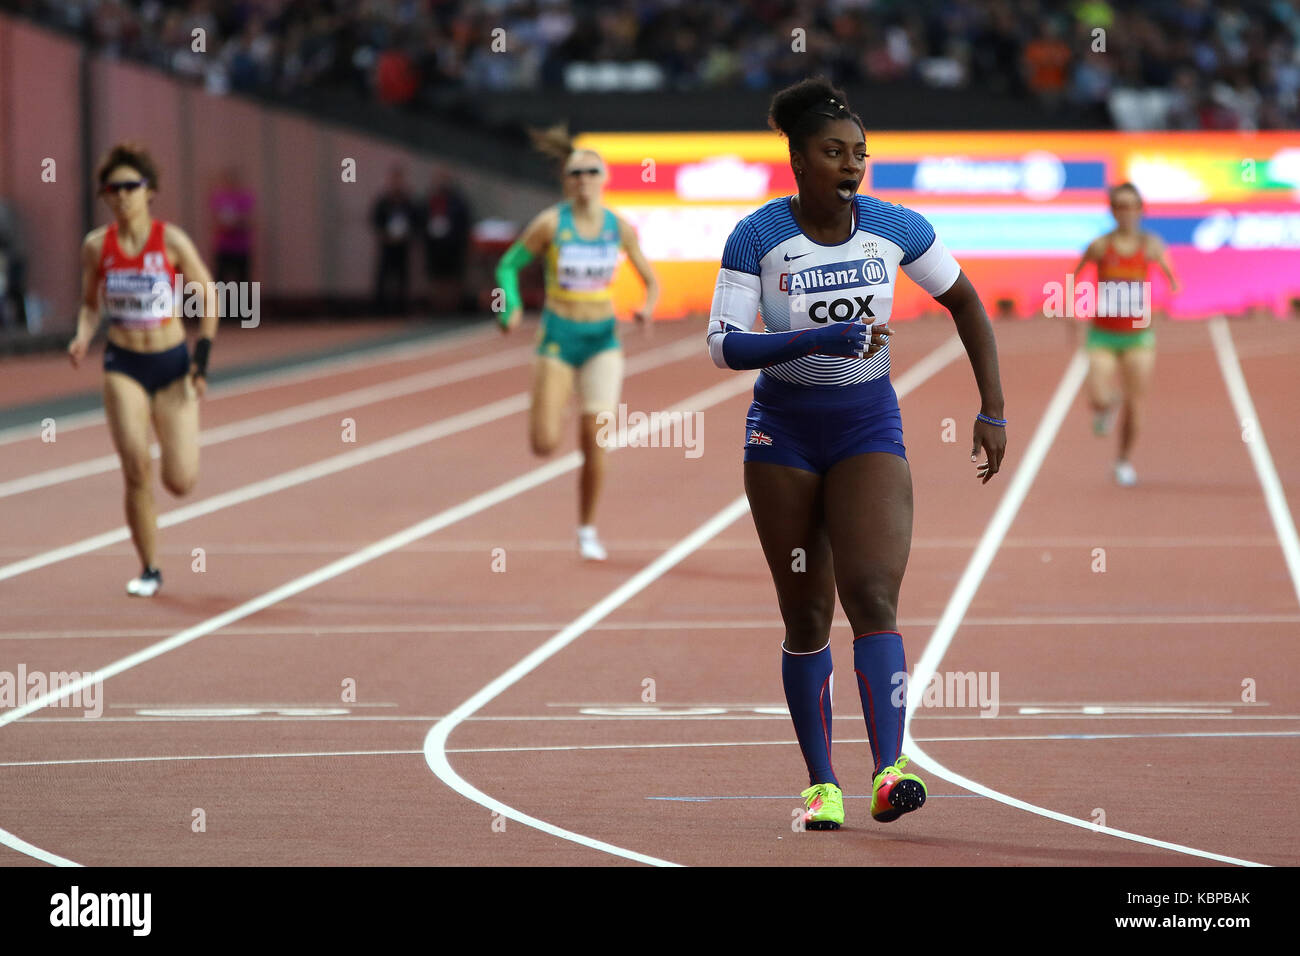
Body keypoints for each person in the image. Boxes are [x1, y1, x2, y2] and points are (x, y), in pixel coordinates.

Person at [707, 78, 1006, 829]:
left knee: (872, 595)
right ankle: (821, 785)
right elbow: (724, 346)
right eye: (834, 152)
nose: (851, 165)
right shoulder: (757, 237)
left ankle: (889, 770)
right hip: (783, 432)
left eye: (860, 153)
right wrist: (815, 338)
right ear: (799, 161)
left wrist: (992, 409)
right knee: (806, 613)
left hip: (867, 423)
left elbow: (967, 301)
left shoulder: (894, 227)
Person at [495, 125, 659, 561]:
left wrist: (647, 307)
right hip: (558, 338)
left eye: (590, 172)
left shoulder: (619, 228)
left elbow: (650, 279)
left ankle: (587, 528)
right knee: (545, 444)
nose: (583, 179)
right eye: (575, 173)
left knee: (595, 440)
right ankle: (555, 396)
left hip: (602, 341)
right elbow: (509, 265)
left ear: (604, 178)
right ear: (566, 182)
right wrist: (508, 306)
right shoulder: (552, 224)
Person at [67, 143, 218, 596]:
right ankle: (149, 568)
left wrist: (201, 361)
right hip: (124, 363)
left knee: (180, 480)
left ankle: (179, 451)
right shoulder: (97, 246)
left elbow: (208, 295)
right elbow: (91, 306)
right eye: (114, 189)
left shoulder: (170, 240)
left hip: (172, 366)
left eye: (131, 186)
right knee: (135, 467)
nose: (123, 195)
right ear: (106, 196)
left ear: (148, 190)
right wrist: (82, 335)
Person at [1072, 182, 1178, 486]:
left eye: (1132, 206)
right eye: (1120, 206)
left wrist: (1162, 307)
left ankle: (1123, 461)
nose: (1127, 212)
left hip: (1138, 338)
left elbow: (1175, 285)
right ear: (1113, 211)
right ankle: (1108, 405)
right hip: (1103, 334)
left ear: (1141, 210)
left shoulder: (1152, 246)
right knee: (1098, 397)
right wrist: (1071, 311)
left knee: (1136, 404)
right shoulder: (1100, 246)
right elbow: (1073, 278)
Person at [422, 169, 471, 314]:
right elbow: (423, 218)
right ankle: (437, 307)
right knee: (436, 277)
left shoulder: (458, 201)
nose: (442, 183)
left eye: (445, 179)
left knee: (452, 277)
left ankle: (453, 307)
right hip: (434, 245)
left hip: (453, 244)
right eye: (439, 179)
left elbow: (463, 221)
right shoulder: (430, 199)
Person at [372, 165, 417, 314]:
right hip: (387, 245)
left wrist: (406, 235)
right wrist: (385, 235)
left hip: (402, 245)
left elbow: (415, 220)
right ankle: (380, 309)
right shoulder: (383, 201)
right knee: (383, 277)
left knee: (403, 278)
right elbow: (375, 221)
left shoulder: (407, 201)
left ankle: (401, 309)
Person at [210, 167, 254, 285]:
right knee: (221, 280)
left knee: (243, 281)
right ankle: (219, 303)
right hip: (223, 246)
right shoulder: (218, 198)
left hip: (241, 247)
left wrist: (236, 224)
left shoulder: (245, 198)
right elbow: (215, 221)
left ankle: (242, 303)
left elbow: (249, 220)